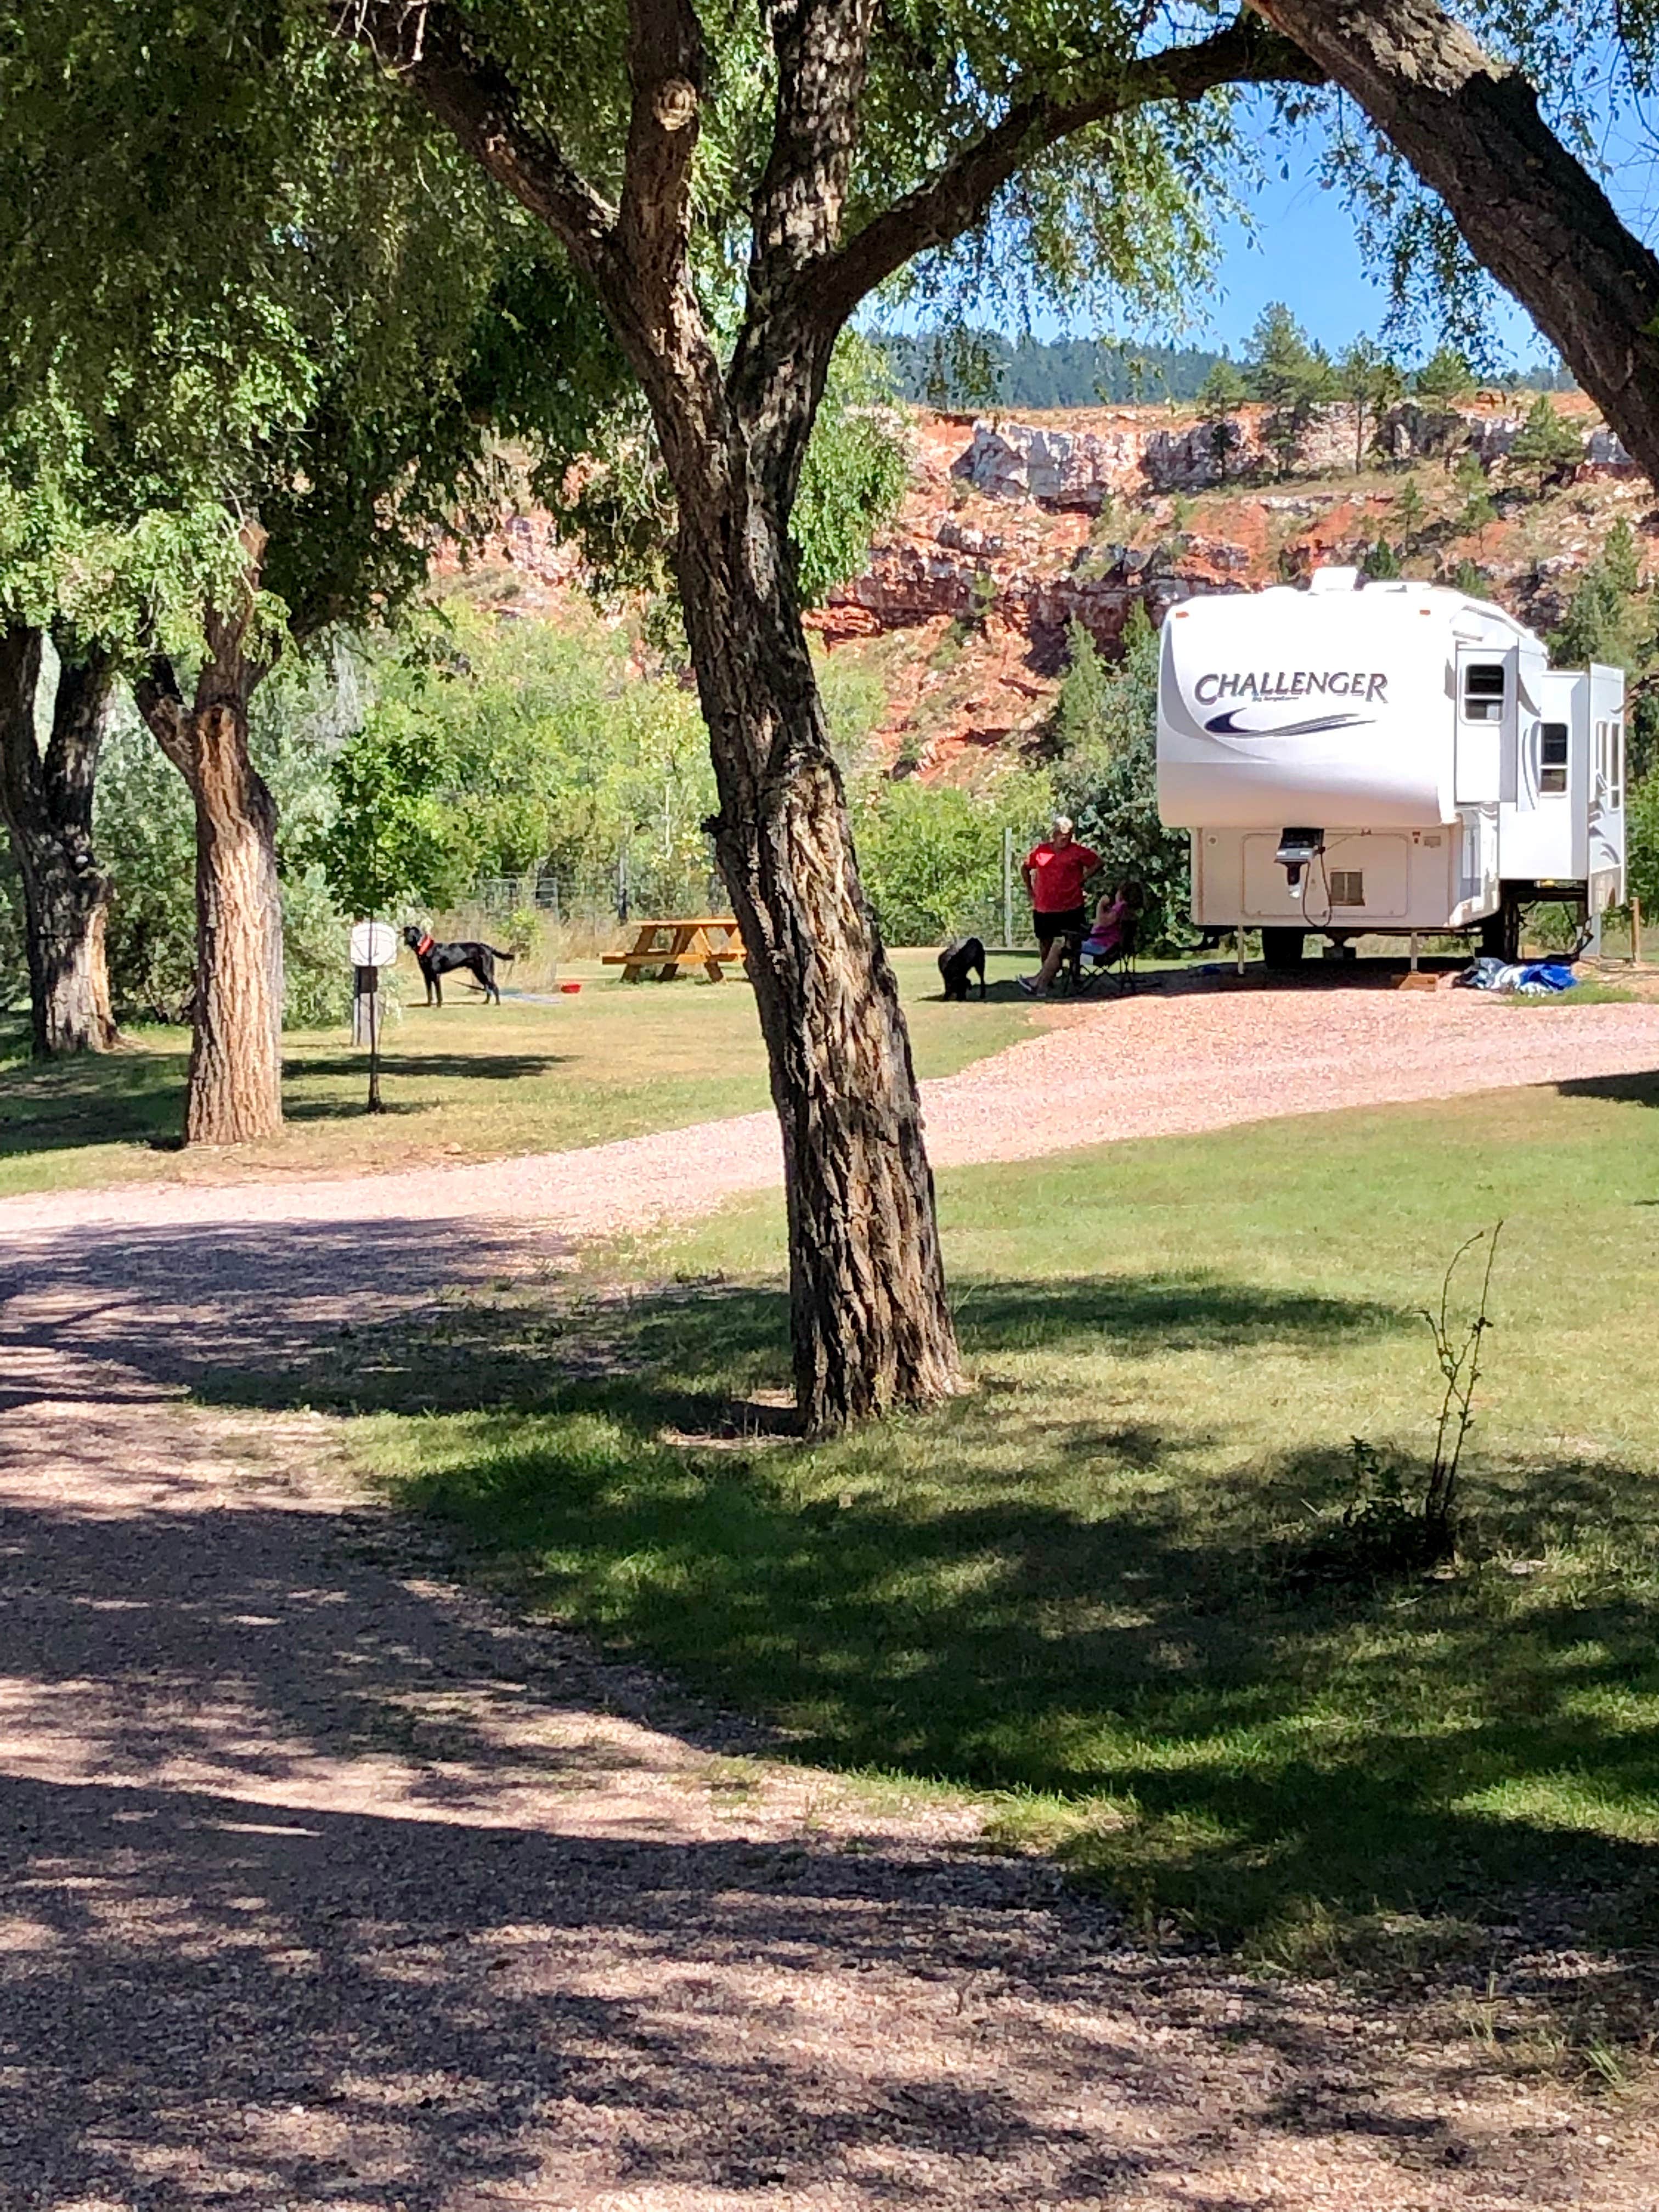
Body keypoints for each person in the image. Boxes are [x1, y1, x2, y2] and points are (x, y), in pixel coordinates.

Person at [1019, 816, 1101, 995]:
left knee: (1074, 943)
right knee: (1045, 942)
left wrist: (1083, 879)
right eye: (1064, 834)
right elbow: (1025, 867)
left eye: (1070, 834)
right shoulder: (1041, 851)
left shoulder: (1078, 851)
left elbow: (1097, 862)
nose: (1067, 838)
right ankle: (1047, 977)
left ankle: (1075, 976)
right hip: (1045, 906)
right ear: (1055, 834)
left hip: (1072, 905)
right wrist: (1029, 889)